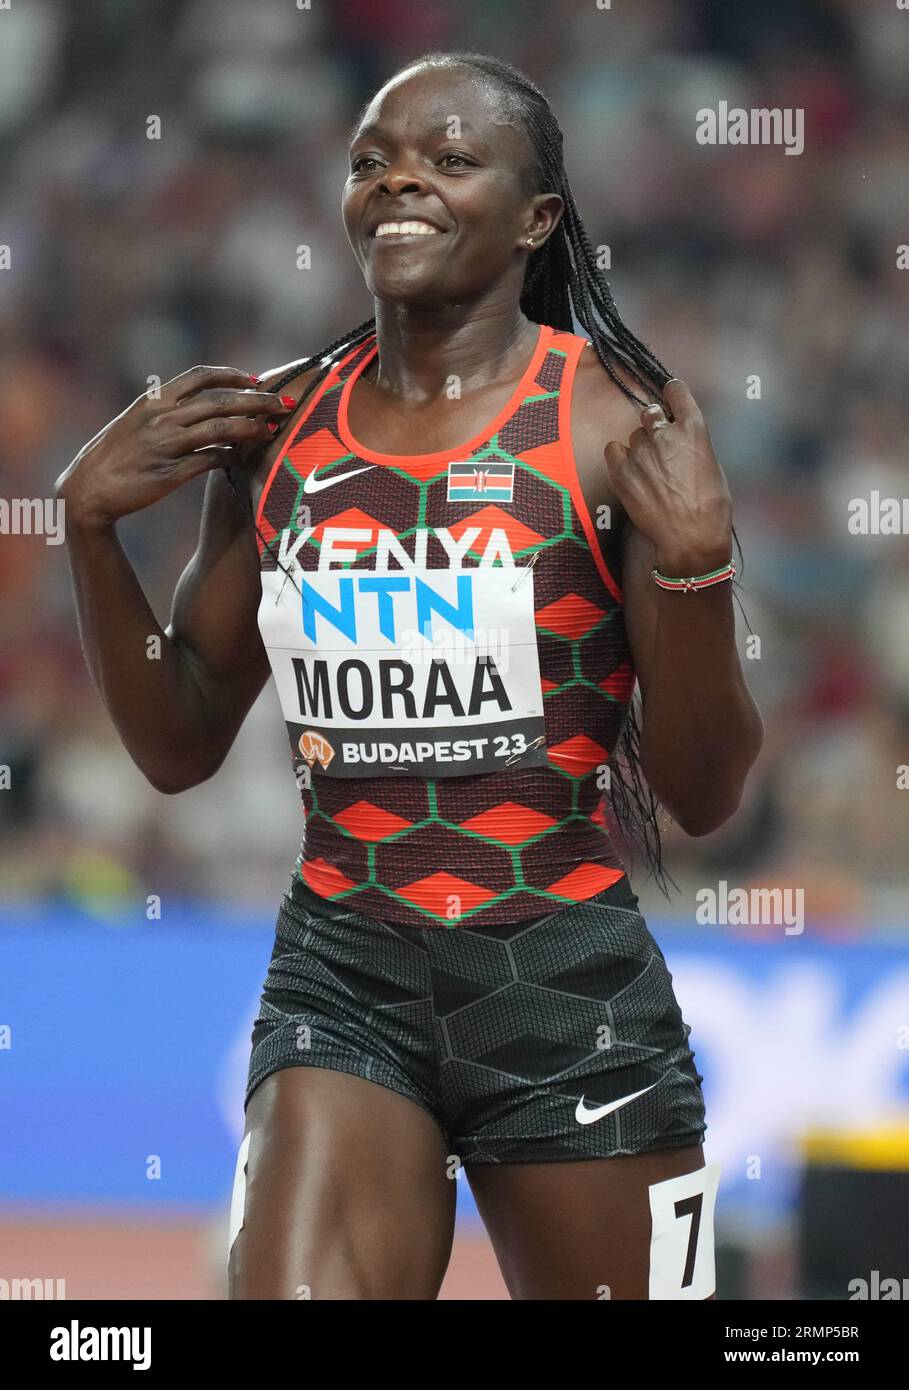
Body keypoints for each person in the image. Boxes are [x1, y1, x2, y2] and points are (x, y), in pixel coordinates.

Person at [56, 51, 763, 1300]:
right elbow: (176, 747)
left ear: (538, 218)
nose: (400, 185)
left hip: (564, 983)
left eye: (448, 159)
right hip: (346, 968)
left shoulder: (616, 426)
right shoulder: (276, 433)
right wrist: (88, 531)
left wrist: (699, 572)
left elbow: (707, 794)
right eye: (372, 161)